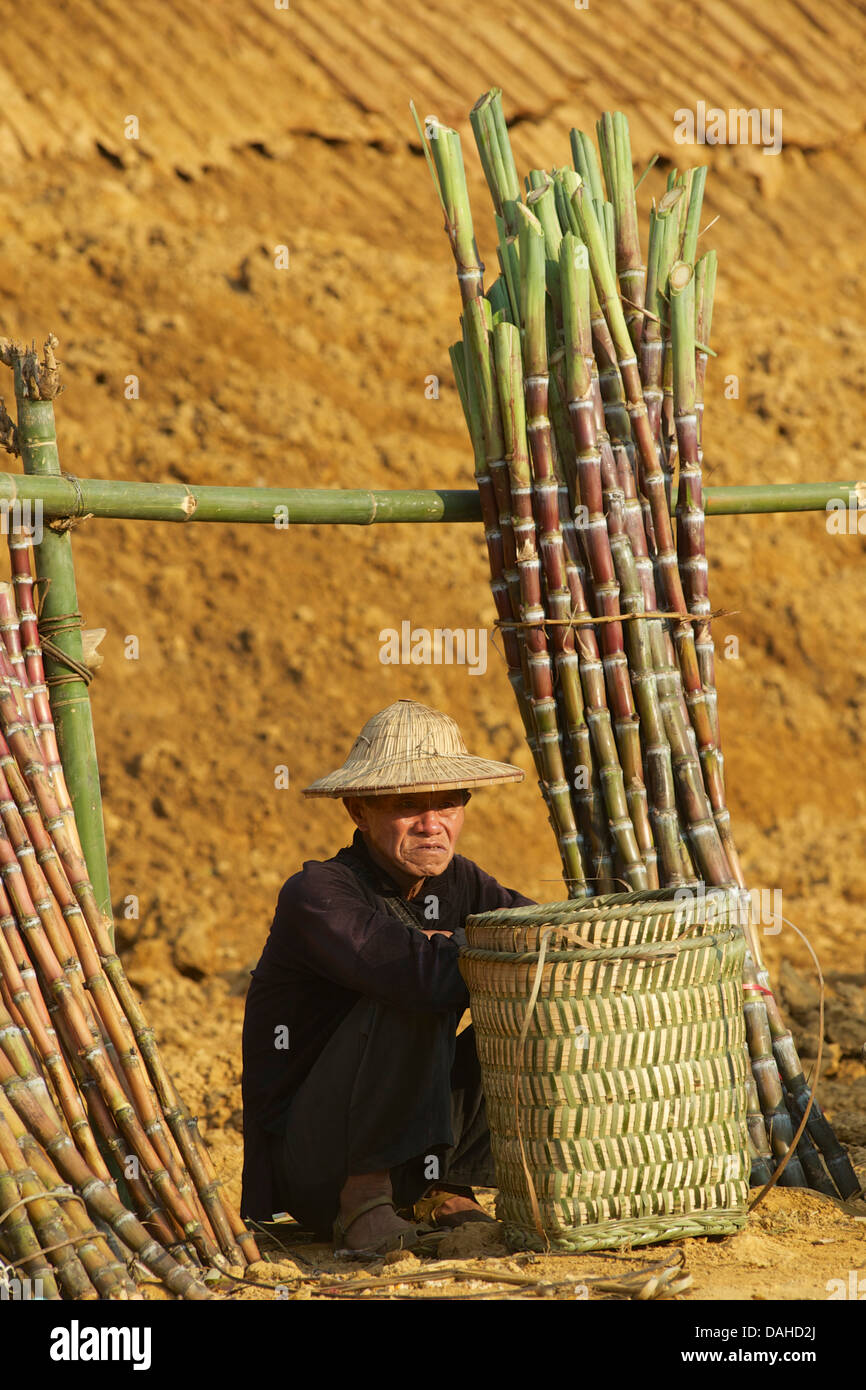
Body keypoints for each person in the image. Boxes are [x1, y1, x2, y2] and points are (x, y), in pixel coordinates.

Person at [240, 698, 535, 1255]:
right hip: (320, 1159)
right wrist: (449, 952)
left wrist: (454, 945)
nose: (432, 825)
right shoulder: (318, 894)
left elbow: (536, 942)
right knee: (416, 989)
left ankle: (441, 1185)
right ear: (359, 810)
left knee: (530, 1004)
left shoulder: (462, 882)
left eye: (447, 804)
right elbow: (419, 977)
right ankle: (363, 1200)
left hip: (413, 1142)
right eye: (407, 806)